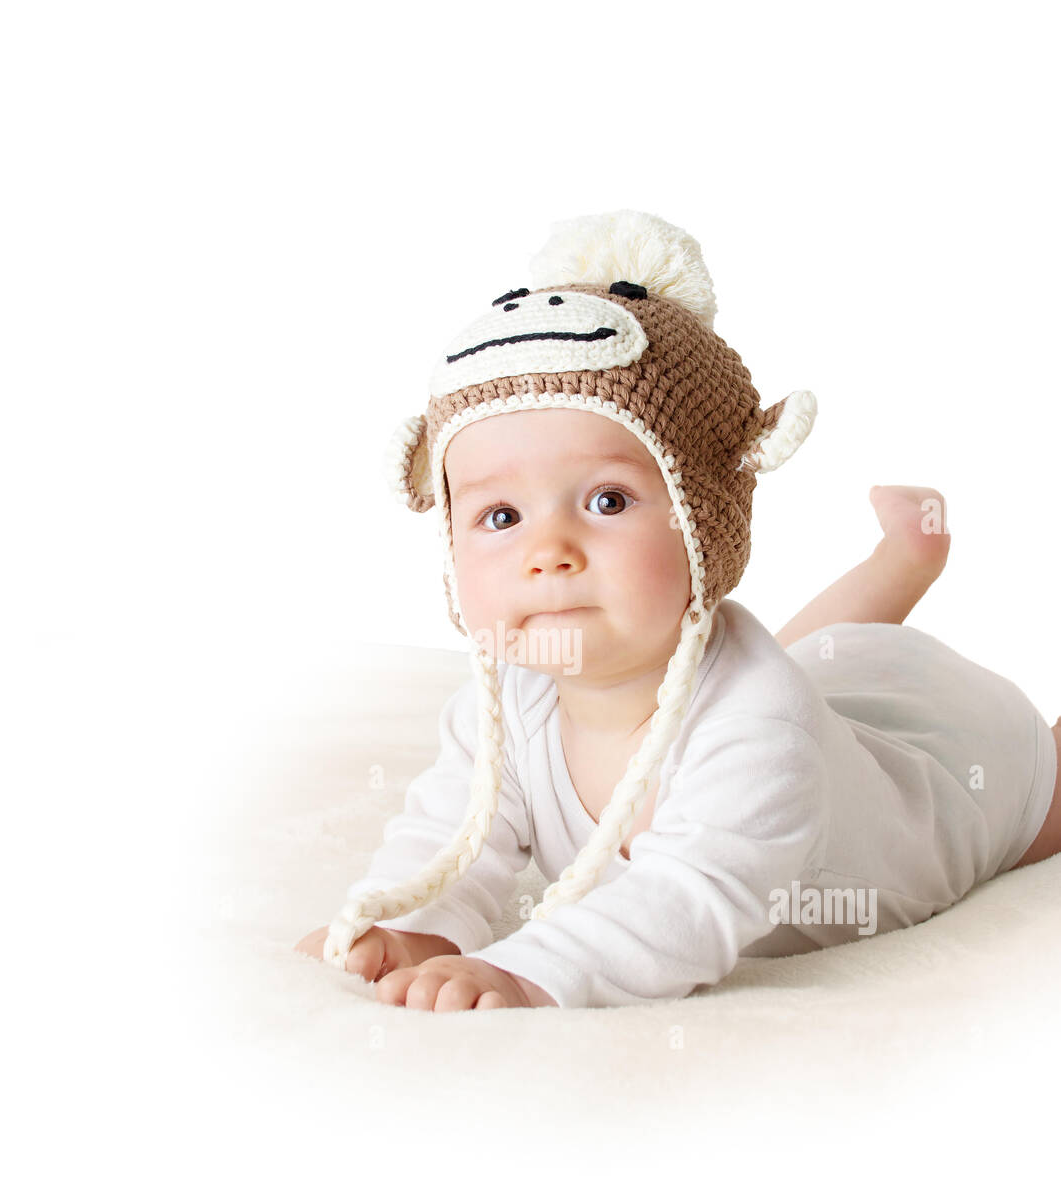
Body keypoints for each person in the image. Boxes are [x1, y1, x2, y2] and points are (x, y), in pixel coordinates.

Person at [294, 210, 1060, 1011]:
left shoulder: (762, 731)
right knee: (804, 654)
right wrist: (417, 926)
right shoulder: (501, 708)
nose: (547, 551)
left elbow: (690, 900)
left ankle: (935, 599)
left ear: (703, 519)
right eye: (501, 517)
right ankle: (904, 560)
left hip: (949, 762)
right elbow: (454, 836)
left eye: (606, 499)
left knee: (1036, 798)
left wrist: (527, 970)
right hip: (820, 685)